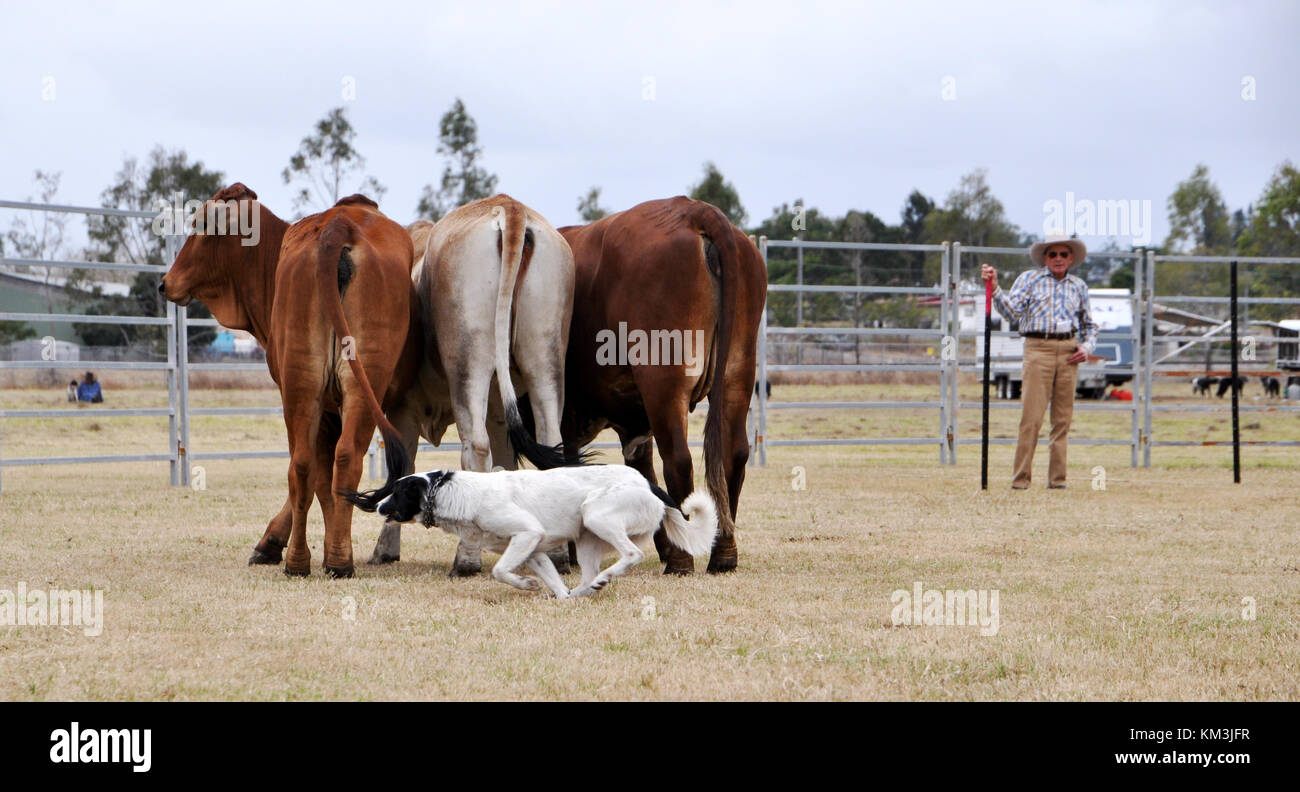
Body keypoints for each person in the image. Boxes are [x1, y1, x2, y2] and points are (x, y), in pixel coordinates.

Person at [981, 233, 1098, 490]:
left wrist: (1087, 347)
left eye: (1063, 254)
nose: (1058, 259)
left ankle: (1058, 480)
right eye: (1052, 254)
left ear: (1071, 258)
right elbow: (1012, 312)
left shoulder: (1078, 286)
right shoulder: (1029, 279)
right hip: (1038, 348)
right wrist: (996, 288)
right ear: (1044, 257)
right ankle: (1021, 479)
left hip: (1068, 350)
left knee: (1062, 420)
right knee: (1031, 418)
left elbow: (1089, 324)